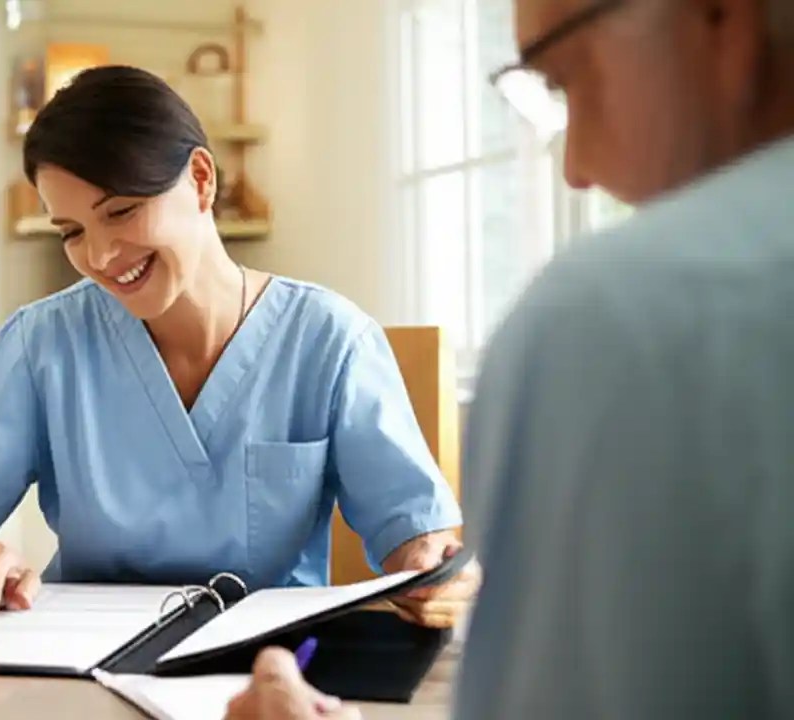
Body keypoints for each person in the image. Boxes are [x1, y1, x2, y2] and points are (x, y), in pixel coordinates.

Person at [228, 0, 794, 717]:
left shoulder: (616, 321)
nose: (577, 172)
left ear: (722, 18)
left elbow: (427, 551)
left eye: (565, 81)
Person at [0, 64, 481, 630]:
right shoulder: (42, 346)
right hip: (85, 671)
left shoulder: (330, 339)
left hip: (274, 674)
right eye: (72, 232)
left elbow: (419, 540)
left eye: (121, 211)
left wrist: (430, 568)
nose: (100, 257)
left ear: (200, 179)